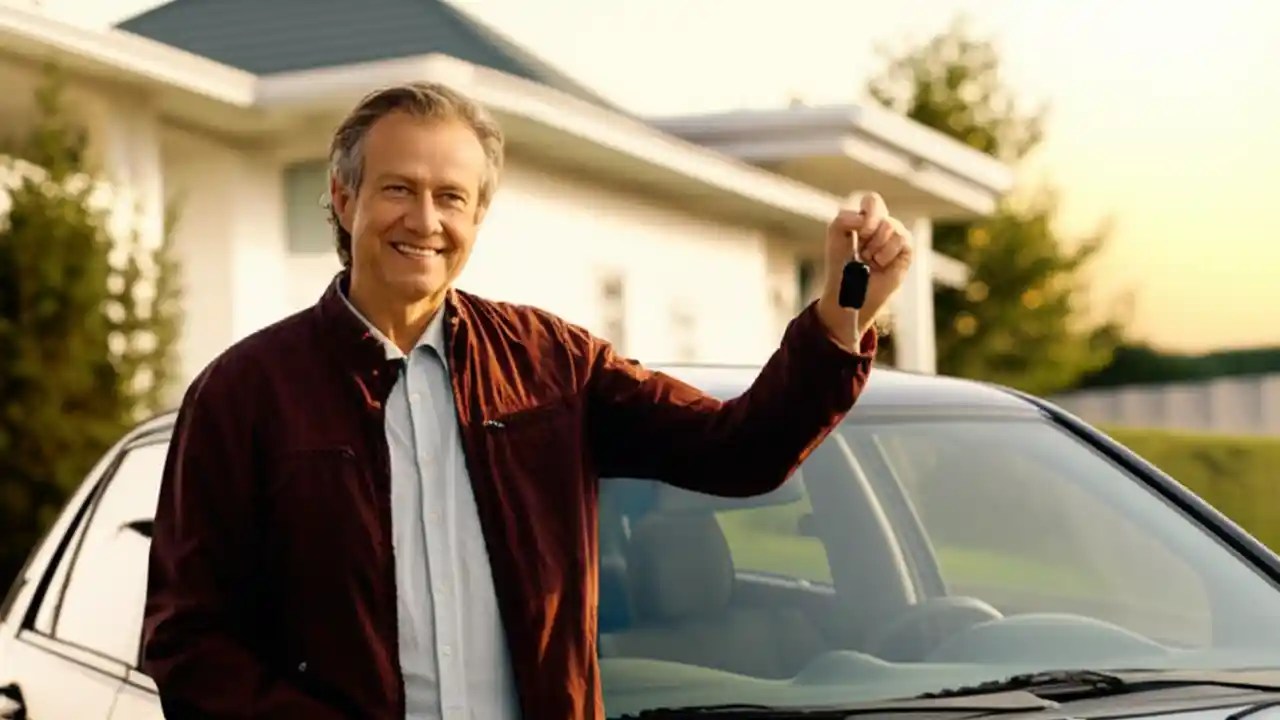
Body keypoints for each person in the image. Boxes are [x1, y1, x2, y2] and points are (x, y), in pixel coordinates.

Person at [141, 81, 913, 720]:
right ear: (344, 200)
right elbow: (190, 644)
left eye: (451, 196)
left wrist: (842, 318)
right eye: (398, 189)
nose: (425, 220)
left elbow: (740, 450)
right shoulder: (242, 394)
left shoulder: (555, 367)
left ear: (477, 217)